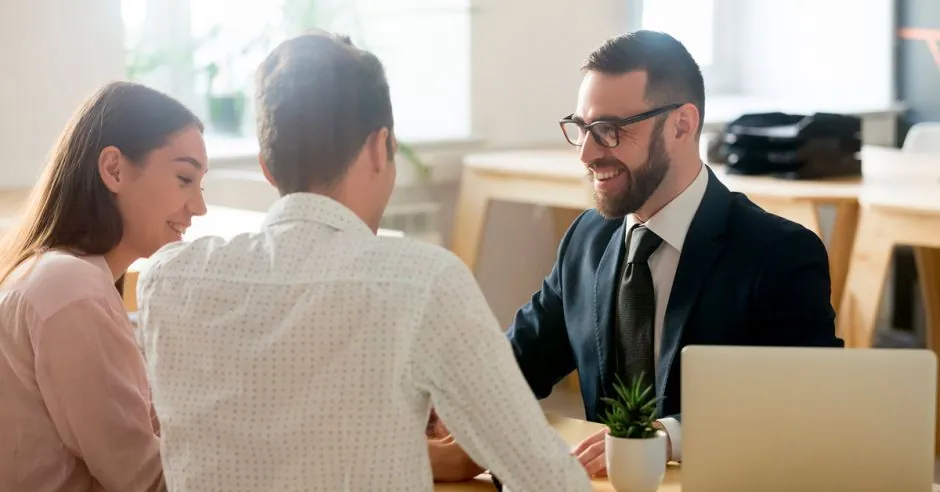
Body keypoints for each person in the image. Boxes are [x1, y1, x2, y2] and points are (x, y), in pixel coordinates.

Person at [136, 31, 591, 492]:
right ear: (381, 147)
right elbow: (547, 478)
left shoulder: (167, 280)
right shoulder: (424, 281)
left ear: (268, 167)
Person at [430, 29, 844, 480]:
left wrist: (665, 437)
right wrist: (443, 405)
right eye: (582, 128)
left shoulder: (779, 254)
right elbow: (517, 360)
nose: (587, 153)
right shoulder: (587, 239)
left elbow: (805, 407)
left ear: (681, 125)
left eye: (609, 131)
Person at [0, 81, 207, 491]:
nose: (198, 207)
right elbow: (143, 480)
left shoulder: (64, 277)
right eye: (185, 178)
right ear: (113, 169)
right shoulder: (70, 290)